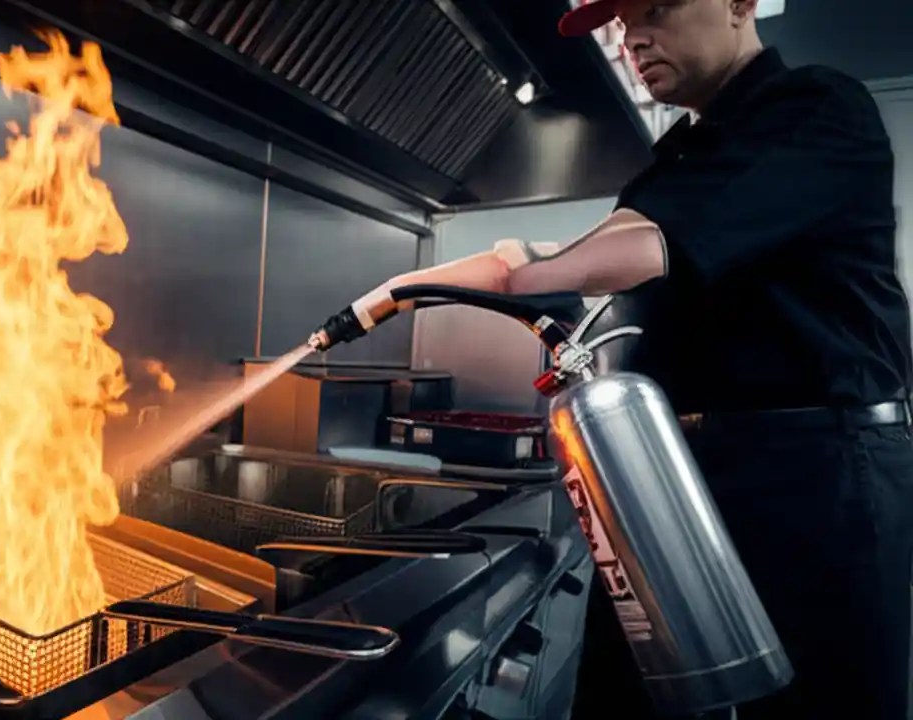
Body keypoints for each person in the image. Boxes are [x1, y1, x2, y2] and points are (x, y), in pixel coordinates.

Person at [348, 0, 913, 717]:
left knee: (816, 699)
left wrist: (492, 277)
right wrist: (461, 278)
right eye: (619, 24)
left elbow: (638, 249)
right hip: (683, 464)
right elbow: (587, 257)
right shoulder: (679, 153)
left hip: (819, 472)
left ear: (740, 3)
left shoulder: (814, 107)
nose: (633, 38)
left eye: (655, 8)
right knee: (637, 694)